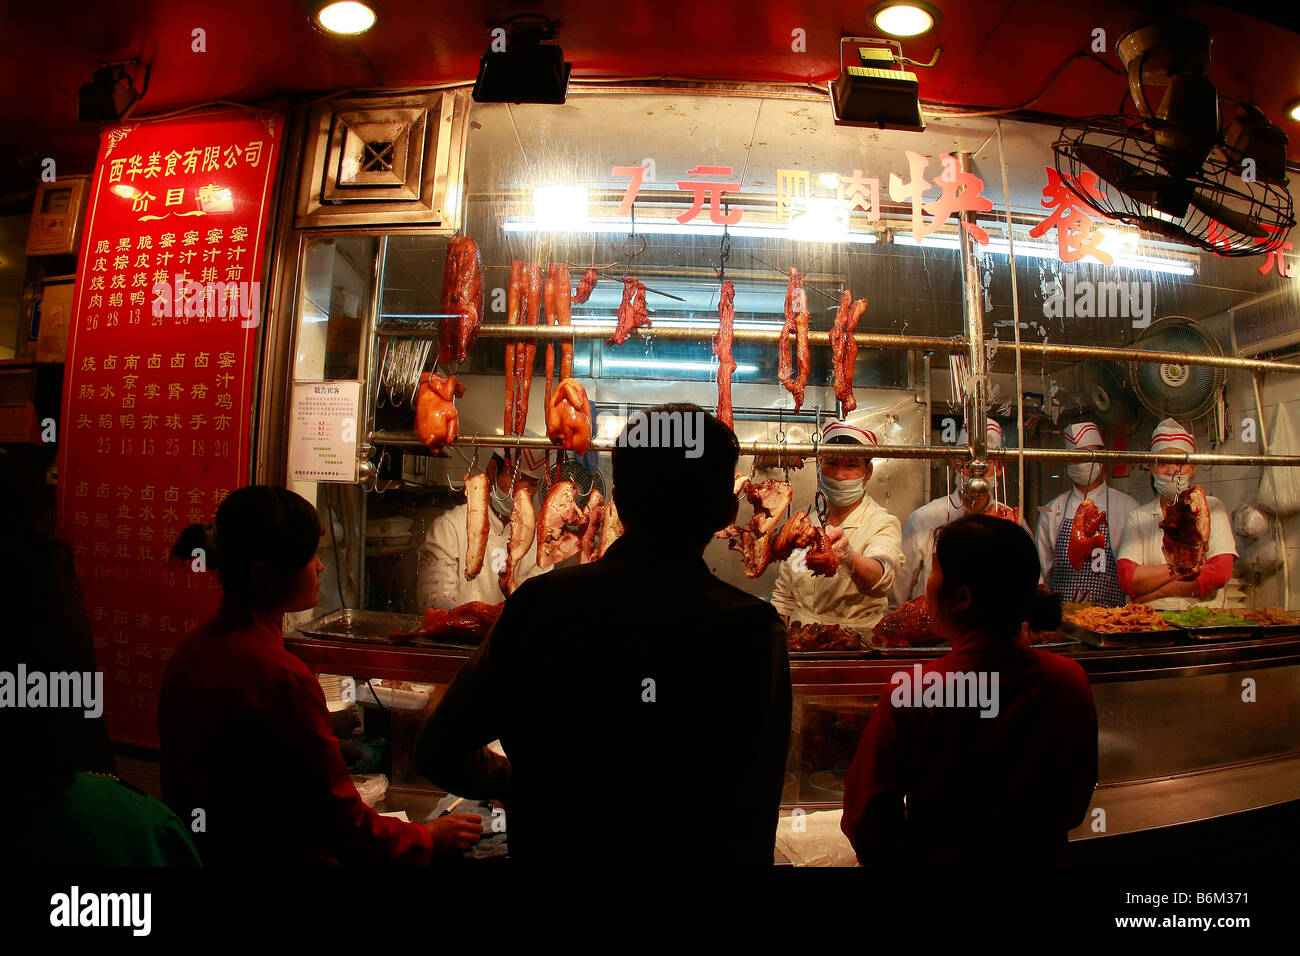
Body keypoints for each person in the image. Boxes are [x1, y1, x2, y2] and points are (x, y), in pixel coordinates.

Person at [415, 403, 792, 865]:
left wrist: (523, 783)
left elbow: (440, 749)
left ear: (619, 498)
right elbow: (757, 802)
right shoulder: (751, 631)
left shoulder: (540, 605)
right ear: (726, 509)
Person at [159, 485, 483, 865]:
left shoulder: (194, 647)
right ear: (264, 576)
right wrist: (425, 838)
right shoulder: (278, 674)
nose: (320, 566)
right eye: (308, 556)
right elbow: (339, 824)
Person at [842, 514, 1098, 864]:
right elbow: (1073, 805)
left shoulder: (916, 691)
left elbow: (867, 821)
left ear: (961, 598)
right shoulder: (1069, 679)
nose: (928, 584)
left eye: (933, 571)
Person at [772, 422, 903, 631]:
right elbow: (784, 596)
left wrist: (848, 557)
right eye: (832, 463)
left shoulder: (882, 522)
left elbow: (883, 580)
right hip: (802, 637)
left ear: (868, 471)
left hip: (857, 640)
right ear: (820, 465)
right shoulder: (803, 519)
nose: (840, 475)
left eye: (851, 465)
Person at [893, 418, 1025, 607]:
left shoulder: (1012, 520)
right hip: (932, 629)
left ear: (999, 468)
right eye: (967, 461)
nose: (976, 471)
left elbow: (1029, 584)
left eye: (986, 463)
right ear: (955, 462)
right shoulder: (924, 519)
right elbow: (897, 595)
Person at [1116, 418, 1238, 609]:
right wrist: (1190, 567)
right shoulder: (1139, 517)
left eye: (1179, 462)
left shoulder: (1212, 508)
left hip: (1200, 621)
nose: (1172, 470)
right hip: (1148, 624)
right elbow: (1127, 578)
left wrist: (1157, 592)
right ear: (1152, 467)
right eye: (1163, 463)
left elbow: (1219, 573)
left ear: (1193, 467)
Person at [418, 444, 549, 608]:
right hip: (458, 632)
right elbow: (437, 605)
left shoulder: (539, 542)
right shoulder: (450, 527)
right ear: (493, 471)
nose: (524, 491)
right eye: (518, 478)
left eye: (534, 483)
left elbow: (536, 605)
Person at [1035, 422, 1138, 606]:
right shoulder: (1052, 510)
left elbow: (1133, 573)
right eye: (1077, 457)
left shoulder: (1127, 507)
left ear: (1102, 458)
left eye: (1089, 455)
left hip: (1112, 620)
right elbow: (1040, 575)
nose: (1083, 463)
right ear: (1067, 460)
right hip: (1063, 622)